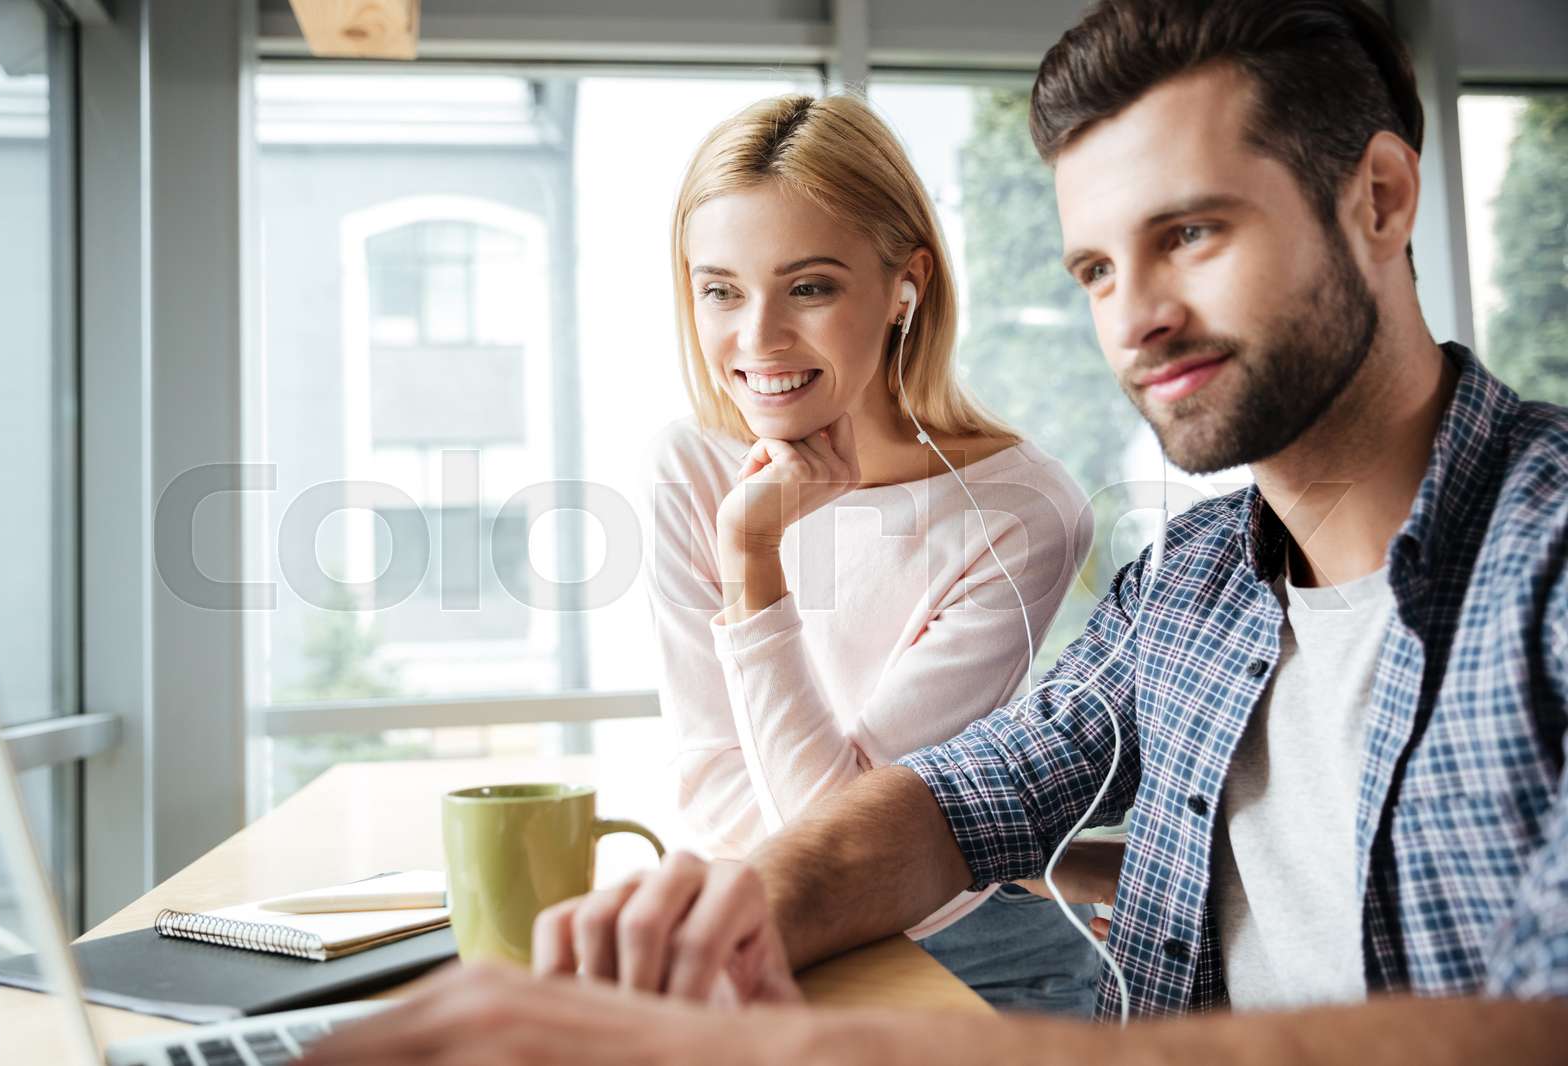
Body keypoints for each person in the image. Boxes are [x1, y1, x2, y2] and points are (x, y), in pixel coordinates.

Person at [303, 1, 1568, 1063]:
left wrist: (816, 1045)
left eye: (1188, 234)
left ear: (1383, 199)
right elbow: (945, 807)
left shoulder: (1545, 556)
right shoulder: (1187, 593)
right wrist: (707, 927)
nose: (1135, 319)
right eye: (1096, 270)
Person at [643, 92, 1099, 1013]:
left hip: (960, 955)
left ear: (905, 287)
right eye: (721, 288)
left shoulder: (1019, 512)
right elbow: (713, 781)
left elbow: (845, 841)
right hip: (752, 939)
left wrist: (755, 551)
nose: (759, 337)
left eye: (809, 286)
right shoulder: (692, 463)